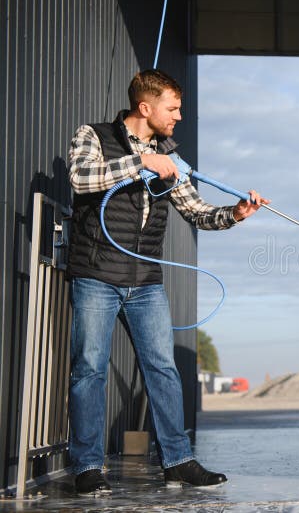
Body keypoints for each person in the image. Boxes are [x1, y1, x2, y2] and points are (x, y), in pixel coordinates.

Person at [66, 69, 266, 496]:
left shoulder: (171, 158)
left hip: (145, 280)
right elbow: (81, 179)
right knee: (89, 371)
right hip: (97, 275)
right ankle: (86, 467)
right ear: (146, 107)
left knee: (163, 370)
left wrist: (235, 213)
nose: (178, 116)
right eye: (172, 108)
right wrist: (140, 161)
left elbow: (197, 212)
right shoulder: (95, 136)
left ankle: (178, 461)